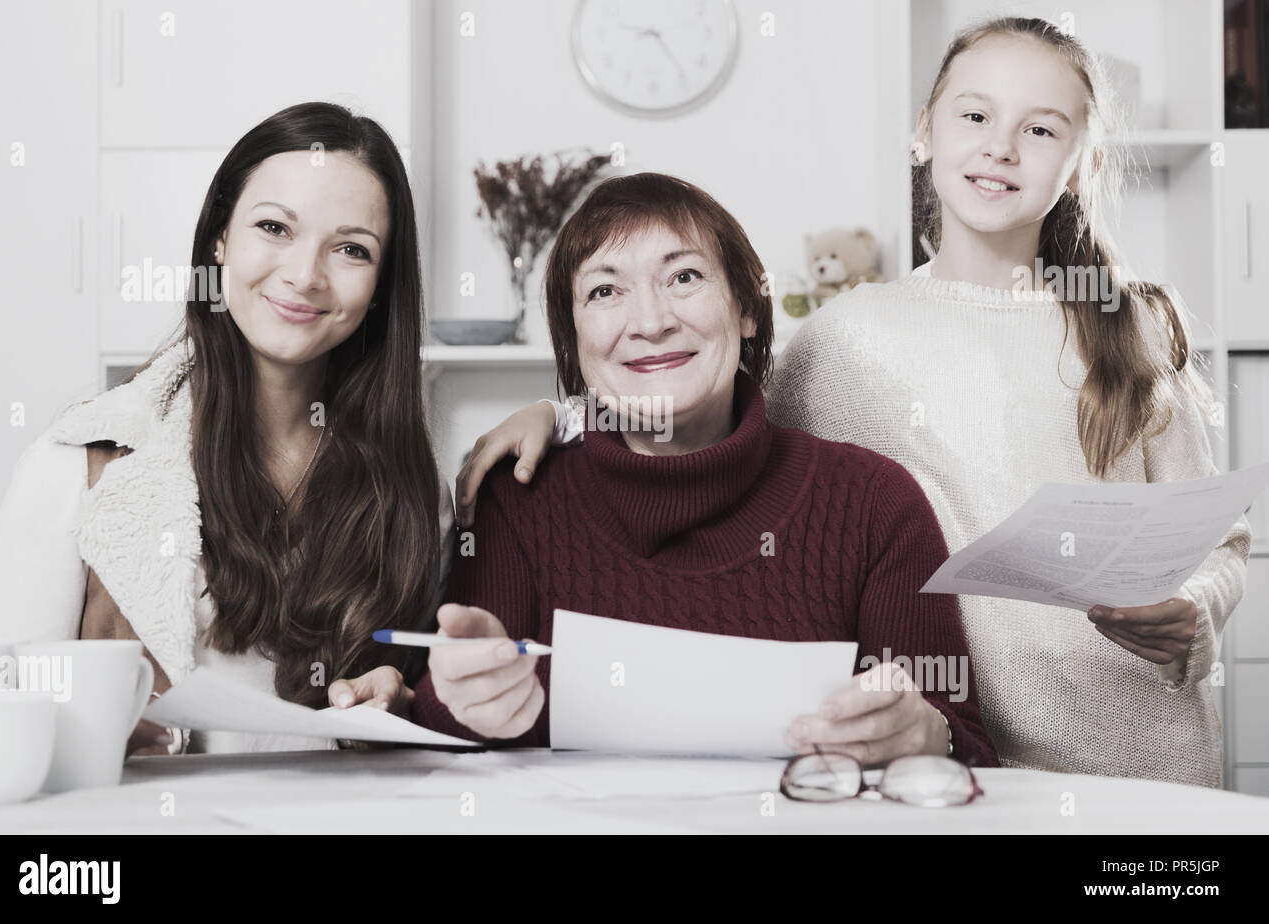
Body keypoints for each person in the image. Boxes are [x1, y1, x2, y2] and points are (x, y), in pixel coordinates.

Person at [456, 19, 1249, 788]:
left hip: (1152, 758)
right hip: (970, 760)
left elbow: (1219, 543)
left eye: (1040, 131)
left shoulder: (1133, 327)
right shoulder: (847, 337)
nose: (1001, 146)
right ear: (923, 134)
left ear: (1082, 163)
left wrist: (1192, 611)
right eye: (975, 115)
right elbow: (705, 403)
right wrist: (562, 417)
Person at [404, 172, 999, 767]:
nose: (651, 321)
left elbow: (969, 752)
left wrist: (928, 736)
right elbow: (442, 735)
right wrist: (459, 703)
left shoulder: (875, 504)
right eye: (605, 292)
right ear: (575, 339)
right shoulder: (515, 498)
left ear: (744, 308)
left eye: (684, 277)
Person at [0, 102, 455, 754]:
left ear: (380, 286)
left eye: (350, 248)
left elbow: (428, 703)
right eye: (274, 227)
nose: (304, 275)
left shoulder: (415, 488)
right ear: (220, 238)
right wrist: (99, 736)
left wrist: (400, 707)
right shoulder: (78, 464)